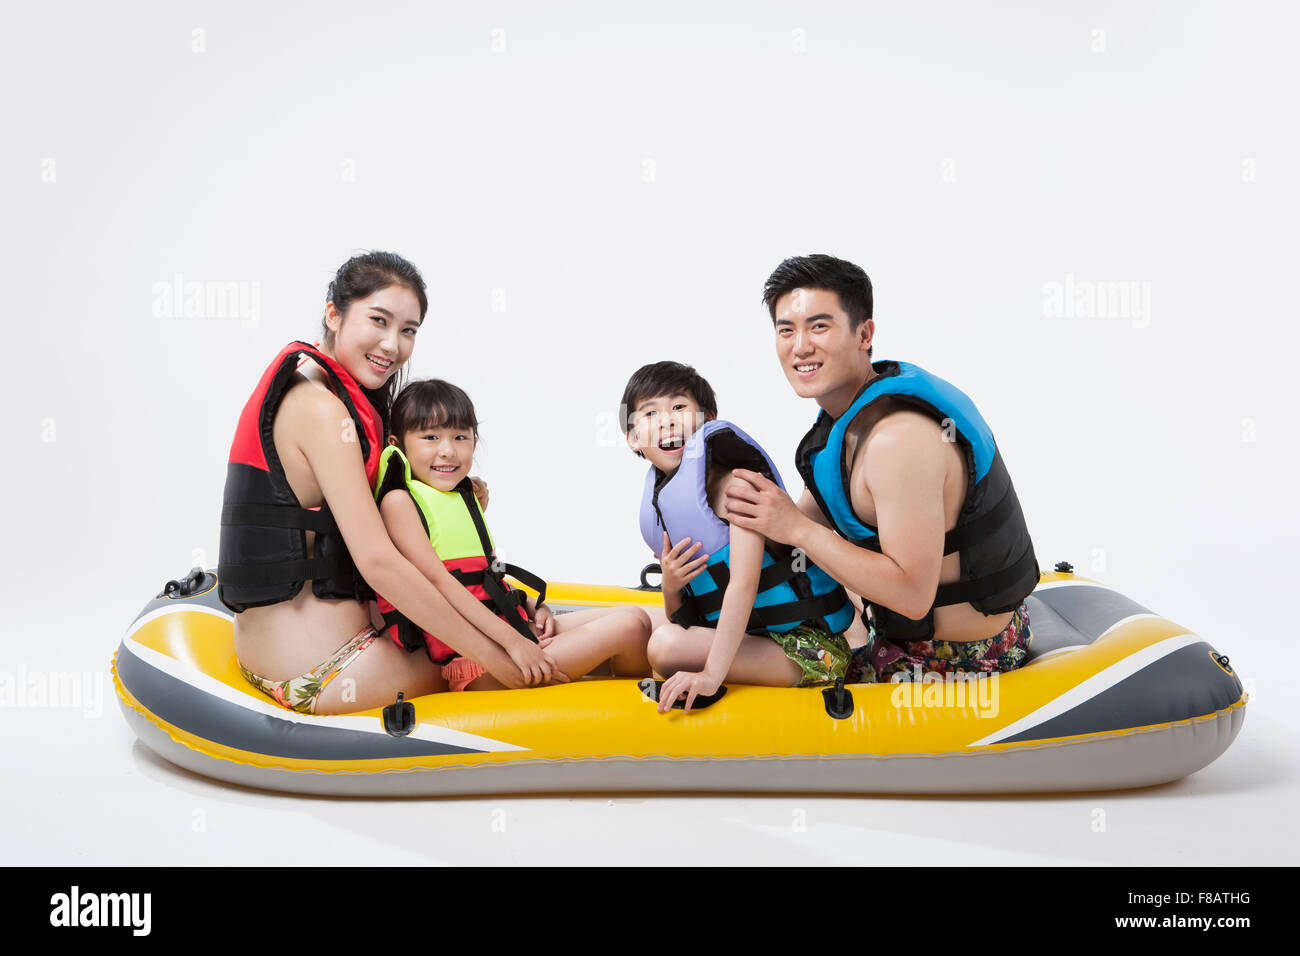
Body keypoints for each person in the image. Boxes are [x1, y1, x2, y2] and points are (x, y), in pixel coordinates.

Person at [218, 251, 535, 716]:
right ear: (334, 314)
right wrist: (496, 653)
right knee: (531, 658)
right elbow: (379, 564)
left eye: (408, 330)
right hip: (325, 672)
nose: (392, 344)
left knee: (517, 627)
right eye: (379, 321)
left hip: (305, 652)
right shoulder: (322, 410)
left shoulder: (329, 391)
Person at [724, 254, 1039, 684]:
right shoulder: (847, 418)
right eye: (786, 330)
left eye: (819, 326)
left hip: (952, 661)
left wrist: (796, 530)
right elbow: (793, 522)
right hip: (906, 636)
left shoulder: (897, 441)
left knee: (675, 654)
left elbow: (911, 596)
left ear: (864, 333)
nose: (800, 347)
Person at [374, 379, 652, 691]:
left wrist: (533, 606)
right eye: (430, 437)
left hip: (517, 633)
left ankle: (619, 701)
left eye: (460, 436)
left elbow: (484, 579)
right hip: (481, 666)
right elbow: (440, 584)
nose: (448, 451)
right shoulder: (399, 502)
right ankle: (633, 715)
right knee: (629, 628)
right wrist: (514, 644)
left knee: (637, 618)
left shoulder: (461, 497)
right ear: (397, 444)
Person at [621, 362, 858, 713]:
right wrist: (670, 585)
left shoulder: (739, 486)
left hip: (811, 650)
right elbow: (685, 617)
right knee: (654, 631)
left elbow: (744, 584)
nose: (666, 420)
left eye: (679, 407)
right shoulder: (664, 511)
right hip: (752, 642)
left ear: (708, 419)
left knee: (664, 647)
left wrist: (710, 676)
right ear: (632, 437)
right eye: (650, 413)